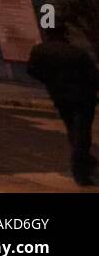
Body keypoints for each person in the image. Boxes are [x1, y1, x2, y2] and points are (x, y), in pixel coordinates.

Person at [27, 26, 98, 186]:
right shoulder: (76, 52)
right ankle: (81, 168)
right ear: (64, 34)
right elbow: (92, 76)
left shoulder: (40, 50)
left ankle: (86, 161)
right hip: (82, 97)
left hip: (59, 95)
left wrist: (50, 81)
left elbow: (31, 70)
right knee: (82, 132)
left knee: (72, 128)